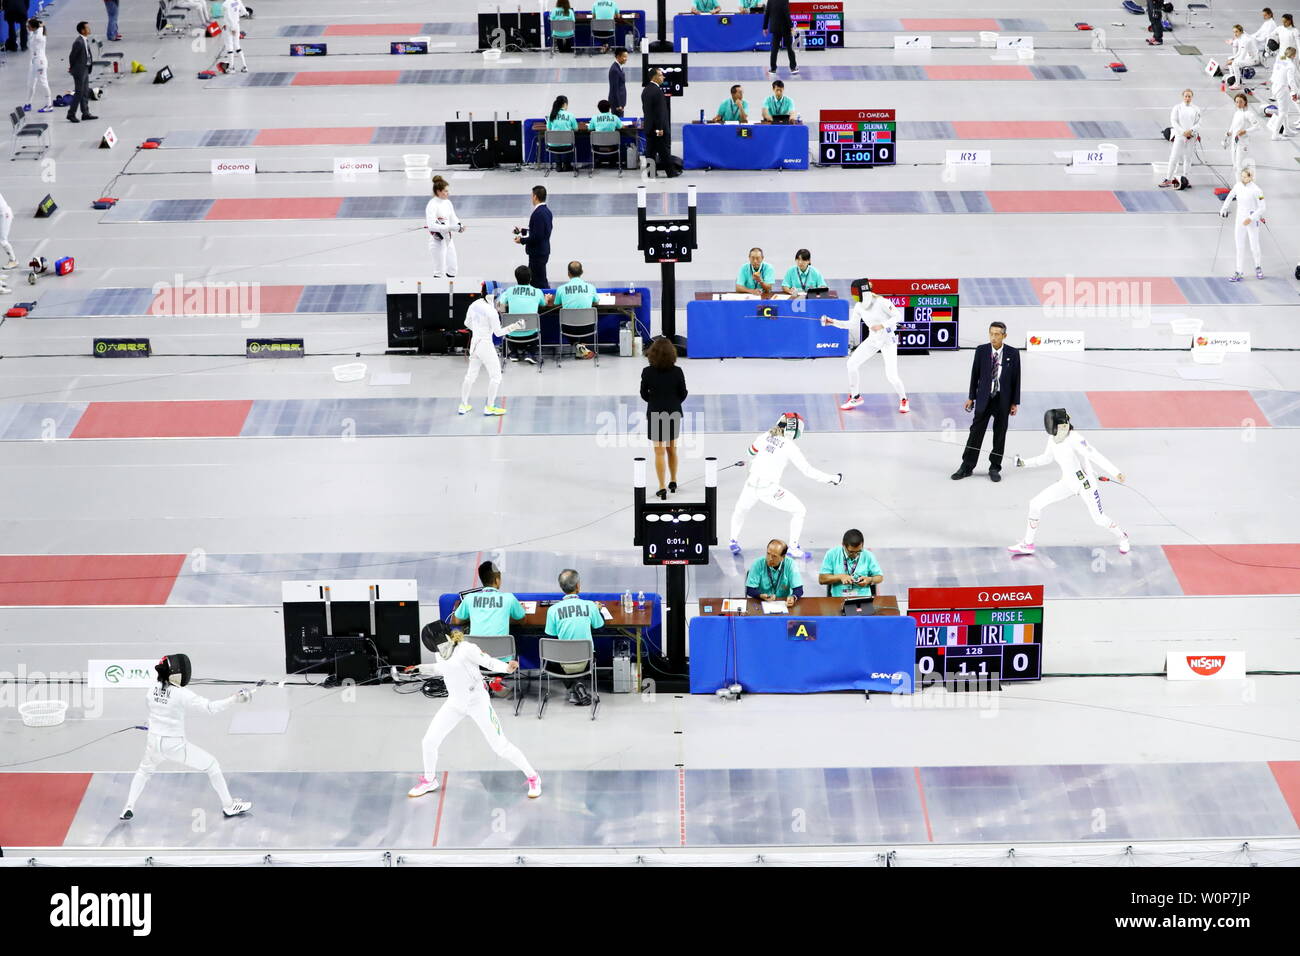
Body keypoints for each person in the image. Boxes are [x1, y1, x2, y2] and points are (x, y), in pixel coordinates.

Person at [404, 629, 541, 799]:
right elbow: (443, 668)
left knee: (501, 747)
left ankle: (534, 777)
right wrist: (420, 668)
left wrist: (506, 667)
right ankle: (429, 780)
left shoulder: (467, 648)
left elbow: (488, 662)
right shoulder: (441, 654)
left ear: (445, 639)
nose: (437, 650)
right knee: (429, 741)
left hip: (478, 703)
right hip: (455, 703)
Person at [119, 654, 255, 821]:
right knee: (212, 765)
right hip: (175, 746)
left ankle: (128, 806)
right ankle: (229, 806)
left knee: (143, 771)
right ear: (175, 673)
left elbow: (152, 708)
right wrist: (235, 699)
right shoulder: (181, 694)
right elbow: (210, 708)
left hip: (153, 743)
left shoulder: (152, 688)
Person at [1009, 409, 1130, 556]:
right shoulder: (1053, 439)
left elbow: (1094, 455)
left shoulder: (1075, 438)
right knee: (1035, 504)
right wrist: (1023, 463)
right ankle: (1028, 544)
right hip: (1067, 483)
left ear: (1060, 425)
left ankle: (1123, 537)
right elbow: (1046, 459)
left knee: (1099, 519)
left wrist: (1116, 472)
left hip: (1086, 485)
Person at [729, 412, 842, 559]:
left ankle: (732, 541)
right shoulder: (790, 446)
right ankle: (793, 548)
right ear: (793, 430)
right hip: (768, 489)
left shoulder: (765, 436)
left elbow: (751, 452)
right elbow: (807, 471)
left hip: (750, 484)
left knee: (740, 510)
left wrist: (756, 460)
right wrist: (832, 478)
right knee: (800, 511)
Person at [821, 278, 909, 414]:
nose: (853, 296)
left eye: (854, 293)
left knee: (891, 376)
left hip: (888, 341)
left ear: (861, 292)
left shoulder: (882, 302)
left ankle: (904, 400)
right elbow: (851, 324)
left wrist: (882, 325)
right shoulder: (859, 307)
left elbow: (897, 316)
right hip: (873, 340)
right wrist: (832, 322)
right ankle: (855, 397)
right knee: (851, 364)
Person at [953, 321, 1020, 482]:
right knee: (975, 433)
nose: (993, 337)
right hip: (984, 398)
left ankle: (995, 467)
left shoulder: (1013, 353)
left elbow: (1016, 379)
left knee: (999, 435)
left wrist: (1014, 402)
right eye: (991, 333)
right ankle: (966, 466)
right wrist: (971, 397)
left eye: (997, 334)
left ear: (1004, 336)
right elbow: (974, 374)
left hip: (1002, 400)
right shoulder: (981, 350)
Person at [543, 569, 603, 706]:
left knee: (552, 655)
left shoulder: (552, 610)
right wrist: (597, 610)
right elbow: (599, 625)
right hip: (586, 660)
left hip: (562, 662)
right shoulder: (590, 606)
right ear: (578, 586)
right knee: (588, 652)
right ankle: (578, 684)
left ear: (561, 587)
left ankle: (574, 687)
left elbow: (550, 634)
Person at [459, 290, 523, 416]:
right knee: (496, 377)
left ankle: (463, 405)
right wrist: (515, 326)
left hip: (474, 343)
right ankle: (490, 407)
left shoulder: (474, 304)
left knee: (470, 376)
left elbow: (467, 323)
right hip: (485, 345)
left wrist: (479, 330)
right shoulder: (491, 311)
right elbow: (498, 333)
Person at [640, 336, 688, 499]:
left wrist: (654, 401)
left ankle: (661, 486)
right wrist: (674, 402)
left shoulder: (647, 372)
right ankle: (673, 480)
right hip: (673, 412)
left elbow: (643, 394)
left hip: (655, 413)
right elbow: (683, 393)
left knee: (658, 451)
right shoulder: (677, 371)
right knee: (671, 449)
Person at [452, 561, 526, 634]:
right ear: (497, 580)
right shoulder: (509, 598)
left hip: (476, 645)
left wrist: (473, 615)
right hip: (501, 646)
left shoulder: (469, 598)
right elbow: (522, 620)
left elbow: (458, 620)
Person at [1220, 167, 1266, 281]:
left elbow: (1262, 208)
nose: (1243, 178)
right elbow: (1230, 196)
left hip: (1252, 220)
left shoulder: (1257, 190)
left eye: (1245, 177)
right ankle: (1239, 271)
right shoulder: (1238, 186)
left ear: (1250, 177)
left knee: (1254, 246)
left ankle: (1258, 267)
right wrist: (1224, 209)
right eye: (1242, 176)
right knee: (1239, 246)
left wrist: (1251, 218)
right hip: (1240, 219)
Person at [500, 264, 549, 364]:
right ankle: (530, 353)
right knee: (536, 328)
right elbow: (543, 304)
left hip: (512, 335)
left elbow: (500, 305)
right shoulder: (537, 292)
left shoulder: (509, 291)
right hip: (531, 334)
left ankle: (513, 353)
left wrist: (504, 312)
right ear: (530, 278)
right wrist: (547, 299)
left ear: (516, 278)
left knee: (510, 328)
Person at [819, 529, 884, 598]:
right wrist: (840, 577)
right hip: (839, 599)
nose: (855, 555)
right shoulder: (831, 554)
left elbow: (879, 577)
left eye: (859, 551)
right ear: (843, 545)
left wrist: (870, 580)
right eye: (851, 552)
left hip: (863, 599)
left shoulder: (868, 555)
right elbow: (822, 579)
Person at [1159, 89, 1200, 189]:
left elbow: (1199, 123)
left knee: (1188, 158)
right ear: (1183, 97)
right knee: (1174, 157)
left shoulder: (1196, 109)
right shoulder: (1177, 108)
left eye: (1189, 96)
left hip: (1191, 137)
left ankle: (1185, 179)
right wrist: (1183, 132)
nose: (1187, 98)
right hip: (1179, 136)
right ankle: (1168, 178)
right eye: (1186, 96)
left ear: (1192, 97)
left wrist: (1191, 131)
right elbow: (1174, 121)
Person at [513, 184, 552, 290]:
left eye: (532, 196)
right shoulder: (546, 211)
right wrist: (523, 231)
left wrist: (521, 240)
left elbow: (537, 236)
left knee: (537, 281)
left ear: (535, 197)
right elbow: (540, 232)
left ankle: (544, 301)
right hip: (543, 250)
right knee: (540, 278)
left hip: (537, 253)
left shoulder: (538, 213)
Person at [425, 175, 464, 278]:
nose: (448, 193)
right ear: (438, 191)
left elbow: (453, 217)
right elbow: (432, 226)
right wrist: (451, 228)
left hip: (448, 239)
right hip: (437, 241)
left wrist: (459, 225)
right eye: (446, 191)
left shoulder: (447, 203)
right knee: (439, 271)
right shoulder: (432, 205)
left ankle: (451, 292)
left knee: (453, 269)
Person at [745, 539, 803, 605]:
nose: (770, 558)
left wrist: (793, 597)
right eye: (768, 553)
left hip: (784, 603)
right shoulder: (758, 564)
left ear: (783, 557)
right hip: (761, 602)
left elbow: (798, 589)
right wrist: (760, 595)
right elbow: (750, 589)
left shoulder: (791, 564)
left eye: (774, 556)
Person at [642, 67, 675, 175]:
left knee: (650, 152)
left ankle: (651, 172)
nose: (663, 77)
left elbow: (646, 110)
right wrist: (660, 128)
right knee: (664, 151)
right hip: (658, 128)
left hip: (649, 127)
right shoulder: (657, 91)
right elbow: (660, 112)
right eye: (661, 75)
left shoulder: (645, 90)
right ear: (655, 77)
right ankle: (670, 173)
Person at [67, 21, 98, 124]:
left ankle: (85, 113)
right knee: (79, 93)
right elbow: (72, 56)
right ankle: (71, 114)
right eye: (87, 28)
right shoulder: (78, 42)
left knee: (85, 92)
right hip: (79, 70)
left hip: (85, 68)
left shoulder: (84, 40)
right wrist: (72, 68)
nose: (89, 29)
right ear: (82, 30)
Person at [1225, 92, 1260, 176]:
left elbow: (1257, 126)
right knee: (1235, 166)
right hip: (1234, 142)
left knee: (1239, 165)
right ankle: (1238, 186)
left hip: (1243, 143)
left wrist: (1245, 131)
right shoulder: (1236, 113)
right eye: (1236, 102)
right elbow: (1233, 125)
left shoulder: (1248, 114)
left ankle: (1242, 186)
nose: (1238, 104)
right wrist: (1229, 132)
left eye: (1240, 102)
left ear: (1245, 102)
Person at [763, 0, 797, 76]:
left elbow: (767, 14)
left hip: (775, 28)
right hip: (785, 28)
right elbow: (786, 13)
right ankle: (793, 68)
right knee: (789, 48)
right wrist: (791, 26)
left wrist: (764, 27)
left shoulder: (770, 1)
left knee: (774, 49)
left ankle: (773, 69)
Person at [26, 18, 52, 114]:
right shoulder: (34, 33)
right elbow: (37, 26)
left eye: (28, 26)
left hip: (40, 62)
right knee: (31, 82)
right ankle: (28, 103)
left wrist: (40, 26)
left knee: (43, 82)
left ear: (33, 27)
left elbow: (40, 28)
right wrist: (33, 22)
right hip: (34, 62)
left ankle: (49, 105)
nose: (27, 27)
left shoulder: (39, 36)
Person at [546, 95, 578, 171]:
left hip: (553, 146)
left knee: (556, 141)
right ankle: (567, 165)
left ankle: (558, 165)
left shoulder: (552, 115)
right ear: (564, 104)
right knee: (569, 142)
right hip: (567, 146)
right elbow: (576, 129)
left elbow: (548, 129)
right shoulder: (570, 115)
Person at [1226, 24, 1261, 89]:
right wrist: (1232, 58)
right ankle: (1233, 76)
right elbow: (1239, 52)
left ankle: (1237, 84)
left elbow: (1242, 55)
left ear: (1241, 31)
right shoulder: (1240, 37)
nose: (1235, 34)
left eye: (1236, 32)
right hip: (1248, 56)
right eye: (1234, 32)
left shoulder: (1245, 40)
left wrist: (1233, 61)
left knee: (1235, 64)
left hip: (1253, 59)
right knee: (1230, 58)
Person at [222, 0, 249, 71]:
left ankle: (231, 67)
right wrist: (237, 16)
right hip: (237, 25)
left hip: (228, 27)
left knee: (229, 46)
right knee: (237, 45)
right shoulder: (238, 1)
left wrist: (232, 27)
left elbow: (227, 16)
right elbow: (244, 13)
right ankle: (244, 66)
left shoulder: (225, 4)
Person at [607, 47, 628, 117]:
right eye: (624, 57)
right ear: (618, 57)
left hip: (620, 101)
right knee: (618, 123)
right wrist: (618, 104)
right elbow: (614, 88)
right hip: (617, 103)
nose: (626, 59)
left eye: (627, 57)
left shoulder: (619, 67)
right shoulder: (615, 70)